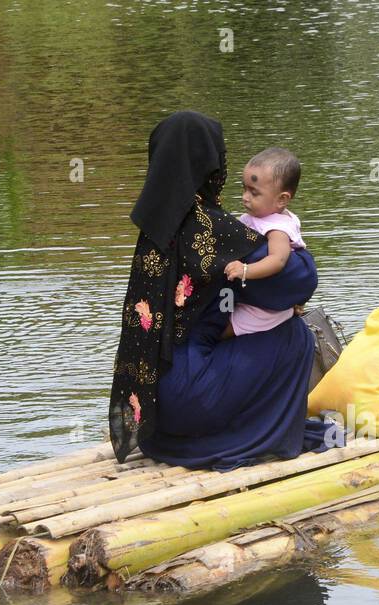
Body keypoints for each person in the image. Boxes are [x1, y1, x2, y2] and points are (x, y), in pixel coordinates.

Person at [108, 112, 336, 470]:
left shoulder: (155, 223)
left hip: (154, 409)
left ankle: (207, 429)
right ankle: (262, 435)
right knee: (294, 336)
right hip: (191, 400)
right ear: (209, 164)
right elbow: (299, 281)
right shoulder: (210, 227)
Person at [222, 147, 312, 337]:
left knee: (223, 331)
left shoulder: (278, 228)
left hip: (265, 310)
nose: (245, 197)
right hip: (258, 293)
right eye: (244, 188)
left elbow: (277, 260)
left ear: (281, 199)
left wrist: (245, 271)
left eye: (254, 193)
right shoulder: (262, 215)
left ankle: (285, 313)